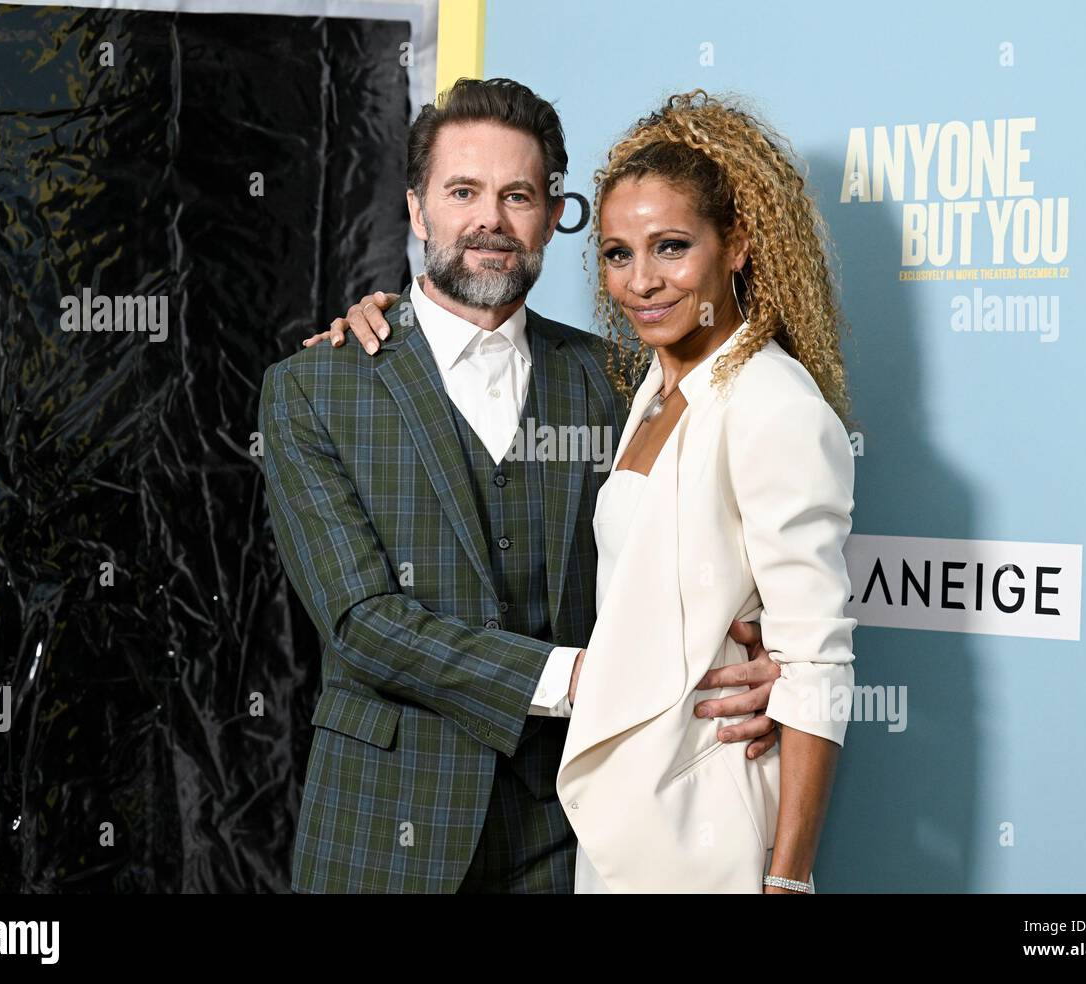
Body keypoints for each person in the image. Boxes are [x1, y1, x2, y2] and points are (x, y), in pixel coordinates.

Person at [310, 88, 859, 893]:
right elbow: (362, 623)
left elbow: (808, 645)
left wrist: (785, 676)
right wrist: (595, 680)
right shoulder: (323, 382)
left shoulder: (638, 378)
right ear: (417, 212)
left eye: (519, 195)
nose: (642, 281)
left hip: (618, 824)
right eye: (463, 192)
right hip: (417, 828)